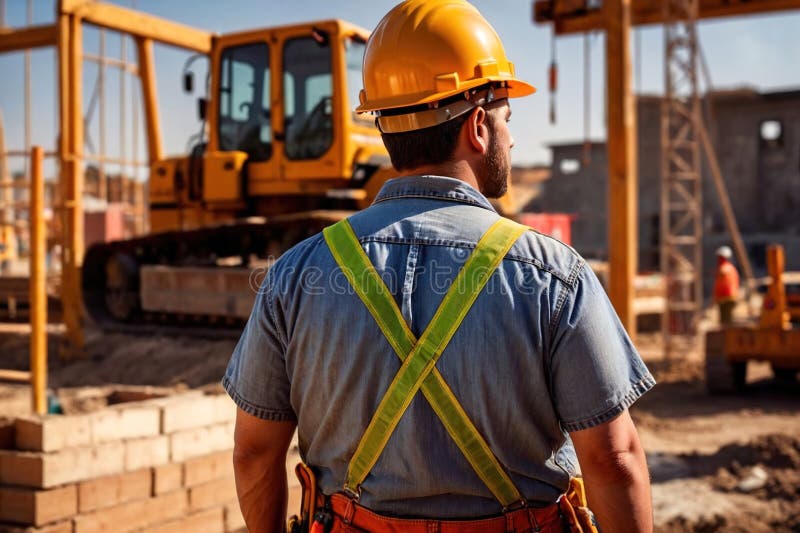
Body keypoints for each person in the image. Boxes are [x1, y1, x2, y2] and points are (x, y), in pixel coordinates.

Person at [223, 1, 655, 532]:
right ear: (478, 127)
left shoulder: (294, 274)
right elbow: (614, 460)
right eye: (506, 118)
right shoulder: (553, 275)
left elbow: (253, 452)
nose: (513, 139)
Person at [714, 245, 740, 325]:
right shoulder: (731, 268)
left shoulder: (724, 269)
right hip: (730, 298)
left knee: (726, 322)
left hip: (726, 299)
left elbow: (721, 285)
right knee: (727, 321)